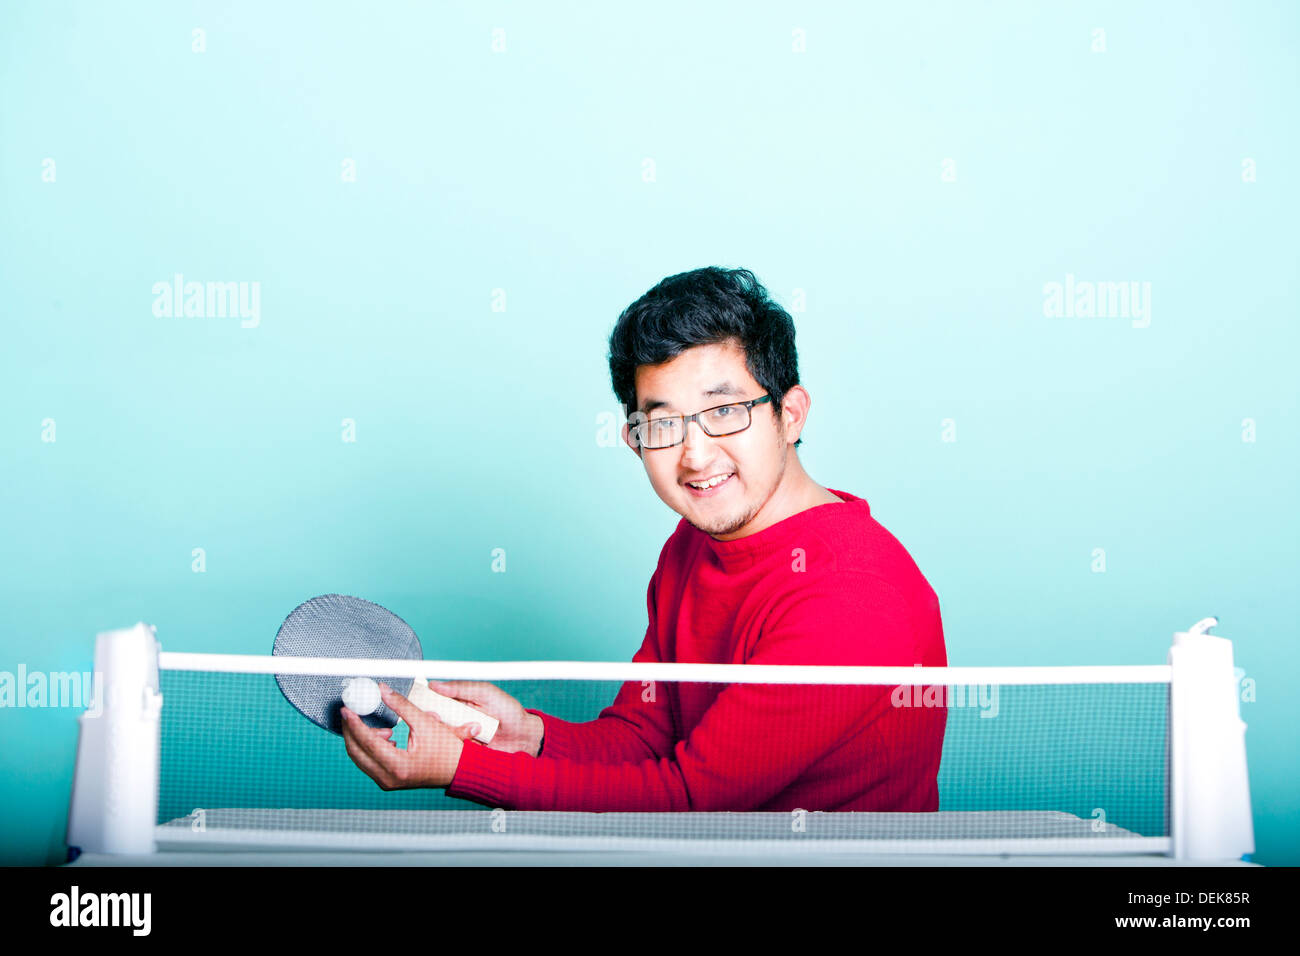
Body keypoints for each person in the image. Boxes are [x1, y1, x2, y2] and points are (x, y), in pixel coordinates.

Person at [341, 266, 947, 811]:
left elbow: (689, 796)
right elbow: (645, 737)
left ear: (790, 414)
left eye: (725, 411)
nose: (694, 454)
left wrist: (468, 770)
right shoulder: (689, 547)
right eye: (661, 424)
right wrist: (531, 735)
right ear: (633, 439)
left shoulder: (852, 596)